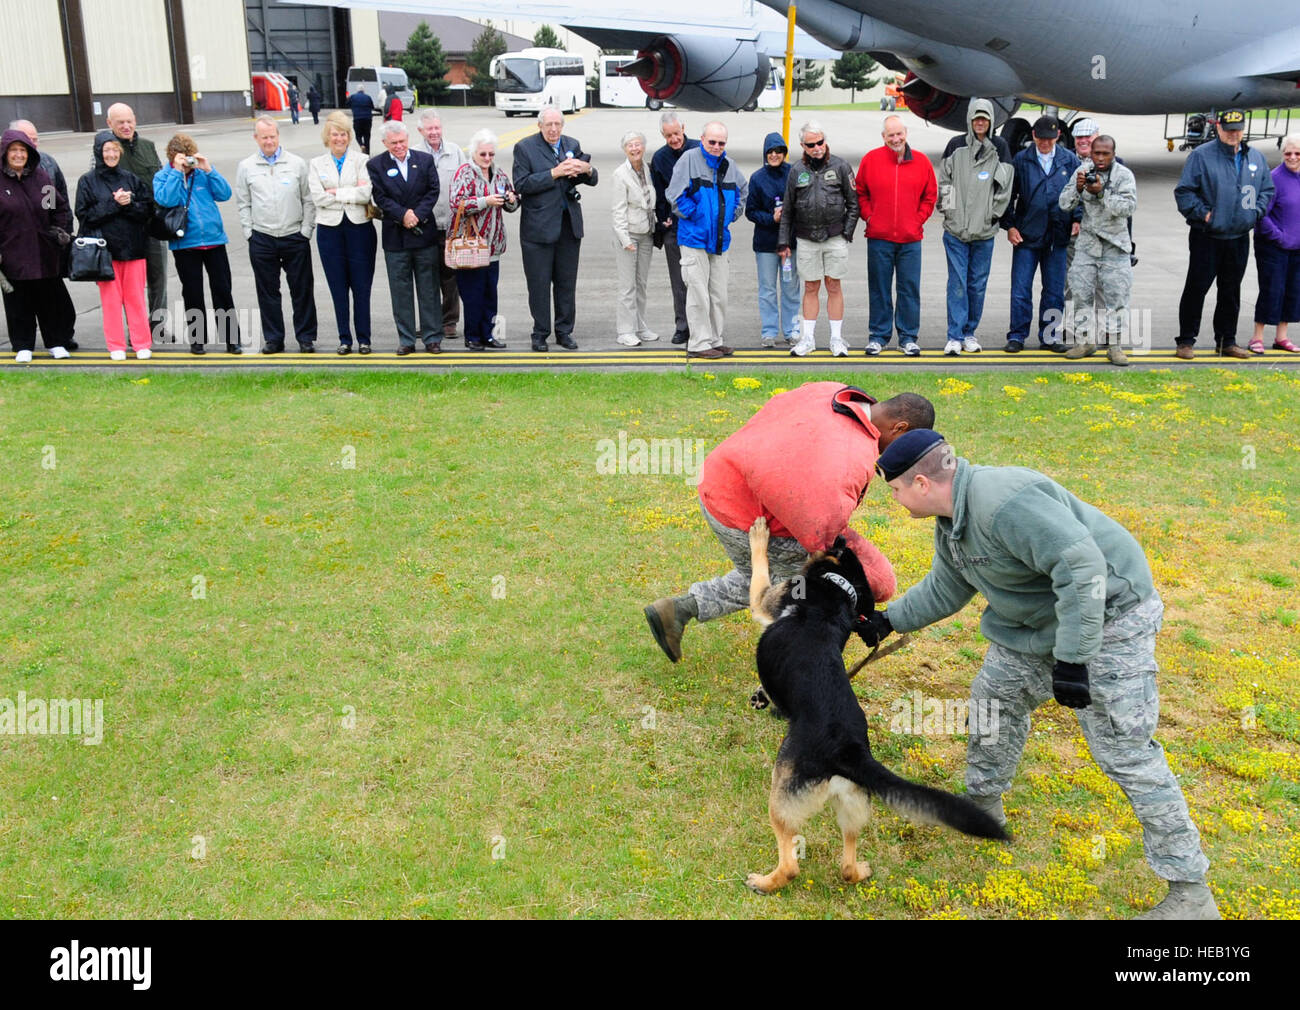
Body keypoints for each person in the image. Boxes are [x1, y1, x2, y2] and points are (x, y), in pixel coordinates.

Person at [866, 431, 1218, 921]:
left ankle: (1191, 893)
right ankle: (982, 805)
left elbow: (1082, 568)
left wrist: (1073, 659)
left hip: (1110, 617)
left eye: (896, 491)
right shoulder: (952, 521)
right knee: (994, 702)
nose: (896, 501)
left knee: (1126, 752)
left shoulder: (1003, 502)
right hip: (1037, 624)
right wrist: (888, 620)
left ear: (920, 483)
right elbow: (947, 587)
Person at [643, 385, 935, 663]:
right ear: (900, 428)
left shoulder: (829, 391)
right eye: (904, 445)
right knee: (801, 596)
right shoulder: (852, 455)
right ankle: (789, 676)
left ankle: (679, 610)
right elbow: (821, 536)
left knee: (764, 575)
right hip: (750, 515)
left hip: (718, 483)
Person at [1173, 109, 1274, 360]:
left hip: (1238, 236)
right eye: (1228, 130)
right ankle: (1186, 340)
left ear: (1243, 128)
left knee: (1231, 290)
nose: (1233, 134)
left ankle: (1226, 341)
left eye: (1238, 129)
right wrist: (1204, 215)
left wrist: (1254, 213)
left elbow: (1266, 190)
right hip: (1207, 236)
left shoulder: (1256, 158)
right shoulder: (1201, 156)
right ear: (1218, 128)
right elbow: (1184, 192)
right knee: (1196, 288)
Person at [512, 106, 597, 352]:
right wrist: (554, 173)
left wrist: (587, 170)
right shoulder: (525, 148)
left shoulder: (571, 143)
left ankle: (564, 331)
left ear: (562, 126)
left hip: (568, 226)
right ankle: (540, 333)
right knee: (539, 284)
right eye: (548, 125)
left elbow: (591, 177)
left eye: (557, 125)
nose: (553, 129)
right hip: (538, 229)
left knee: (566, 283)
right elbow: (522, 184)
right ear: (539, 126)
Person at [937, 99, 1014, 356]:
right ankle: (954, 336)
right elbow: (945, 182)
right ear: (970, 119)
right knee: (957, 283)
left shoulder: (1000, 147)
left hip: (984, 232)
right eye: (976, 118)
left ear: (991, 121)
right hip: (956, 231)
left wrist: (993, 216)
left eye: (985, 119)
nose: (980, 123)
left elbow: (1005, 188)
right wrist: (948, 213)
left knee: (977, 284)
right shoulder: (955, 146)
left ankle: (970, 333)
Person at [856, 115, 937, 356]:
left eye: (899, 134)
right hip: (879, 238)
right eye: (890, 135)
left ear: (906, 133)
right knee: (879, 288)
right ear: (883, 137)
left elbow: (930, 196)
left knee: (909, 289)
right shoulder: (871, 160)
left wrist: (917, 219)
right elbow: (861, 192)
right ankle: (878, 336)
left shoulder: (921, 162)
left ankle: (908, 337)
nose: (895, 139)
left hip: (910, 239)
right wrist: (870, 216)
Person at [235, 116, 317, 353]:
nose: (268, 141)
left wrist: (306, 231)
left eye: (272, 136)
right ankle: (274, 338)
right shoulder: (246, 167)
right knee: (268, 291)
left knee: (301, 289)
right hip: (262, 237)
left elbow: (308, 199)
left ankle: (305, 337)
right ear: (256, 138)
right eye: (264, 137)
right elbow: (243, 202)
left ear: (278, 136)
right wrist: (249, 232)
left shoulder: (297, 163)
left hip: (294, 236)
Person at [666, 120, 747, 360]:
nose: (716, 146)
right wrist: (697, 215)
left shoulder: (730, 165)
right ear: (702, 140)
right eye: (712, 142)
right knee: (698, 293)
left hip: (720, 240)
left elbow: (743, 191)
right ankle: (699, 342)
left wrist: (731, 215)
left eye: (721, 143)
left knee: (718, 294)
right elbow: (674, 195)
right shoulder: (689, 160)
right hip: (694, 239)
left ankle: (715, 339)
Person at [154, 133, 241, 354]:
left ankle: (232, 339)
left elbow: (224, 194)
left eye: (189, 157)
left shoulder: (202, 173)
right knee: (193, 293)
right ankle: (197, 339)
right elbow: (165, 199)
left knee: (222, 290)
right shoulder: (163, 176)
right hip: (185, 244)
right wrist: (176, 172)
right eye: (182, 158)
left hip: (214, 240)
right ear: (172, 157)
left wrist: (208, 169)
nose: (187, 163)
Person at [779, 121, 859, 357]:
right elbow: (788, 210)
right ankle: (808, 338)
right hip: (806, 239)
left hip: (835, 237)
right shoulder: (796, 171)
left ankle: (836, 338)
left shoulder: (841, 167)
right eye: (811, 144)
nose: (817, 148)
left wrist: (846, 232)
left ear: (825, 141)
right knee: (810, 286)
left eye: (820, 142)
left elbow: (854, 204)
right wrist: (783, 242)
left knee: (834, 285)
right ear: (803, 145)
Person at [1001, 115, 1080, 353]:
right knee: (1021, 289)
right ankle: (1017, 335)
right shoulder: (1021, 160)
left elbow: (1080, 193)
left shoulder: (1070, 160)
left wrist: (1078, 218)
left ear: (1057, 137)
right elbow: (1008, 196)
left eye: (1050, 138)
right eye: (1041, 138)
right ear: (1033, 135)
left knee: (1054, 290)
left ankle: (1050, 336)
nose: (1045, 143)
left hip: (1058, 235)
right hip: (1027, 235)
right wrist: (1010, 226)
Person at [1059, 135, 1137, 365]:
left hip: (1115, 245)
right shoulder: (1081, 171)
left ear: (1113, 154)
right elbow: (1064, 204)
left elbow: (1128, 207)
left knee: (1117, 298)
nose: (1100, 158)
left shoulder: (1124, 175)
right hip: (1088, 244)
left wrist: (1102, 193)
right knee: (1080, 294)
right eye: (1097, 153)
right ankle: (1085, 341)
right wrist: (1078, 188)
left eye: (1105, 153)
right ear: (1090, 153)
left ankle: (1114, 346)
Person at [75, 134, 154, 360]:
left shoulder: (131, 178)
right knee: (110, 302)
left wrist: (129, 204)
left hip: (134, 249)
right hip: (105, 252)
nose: (111, 155)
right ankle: (115, 344)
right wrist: (114, 204)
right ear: (98, 152)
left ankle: (141, 342)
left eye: (115, 150)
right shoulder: (87, 181)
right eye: (106, 150)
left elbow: (146, 211)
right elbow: (84, 216)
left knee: (136, 299)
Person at [367, 120, 442, 354]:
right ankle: (407, 339)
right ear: (384, 143)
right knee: (401, 291)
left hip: (424, 234)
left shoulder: (424, 160)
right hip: (396, 238)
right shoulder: (376, 165)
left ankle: (432, 337)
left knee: (429, 289)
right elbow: (380, 197)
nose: (399, 146)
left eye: (402, 141)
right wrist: (403, 215)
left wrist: (416, 215)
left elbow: (433, 191)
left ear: (408, 139)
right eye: (393, 143)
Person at [0, 128, 73, 362]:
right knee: (17, 302)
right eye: (14, 150)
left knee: (49, 301)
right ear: (5, 153)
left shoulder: (41, 178)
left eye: (23, 150)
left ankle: (56, 343)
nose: (19, 155)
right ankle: (23, 345)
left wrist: (57, 231)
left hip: (44, 252)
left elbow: (56, 208)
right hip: (12, 252)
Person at [308, 111, 377, 355]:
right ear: (328, 137)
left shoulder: (362, 160)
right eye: (335, 134)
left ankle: (364, 339)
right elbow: (317, 198)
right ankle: (344, 339)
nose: (339, 139)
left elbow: (366, 194)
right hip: (330, 231)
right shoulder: (316, 164)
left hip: (359, 229)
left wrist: (334, 192)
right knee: (338, 287)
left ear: (350, 136)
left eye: (344, 134)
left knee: (361, 287)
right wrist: (348, 192)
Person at [449, 129, 518, 350]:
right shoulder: (464, 173)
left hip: (493, 245)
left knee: (490, 294)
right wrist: (484, 201)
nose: (487, 159)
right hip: (470, 245)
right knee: (472, 295)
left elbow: (512, 204)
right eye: (483, 154)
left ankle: (488, 335)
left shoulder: (499, 174)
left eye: (491, 154)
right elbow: (456, 203)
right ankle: (472, 336)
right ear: (474, 153)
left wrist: (510, 199)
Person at [104, 104, 167, 339]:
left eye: (129, 120)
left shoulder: (148, 147)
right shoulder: (107, 150)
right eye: (120, 122)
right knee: (132, 284)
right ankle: (136, 329)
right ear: (110, 124)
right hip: (125, 228)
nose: (126, 126)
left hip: (151, 222)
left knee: (158, 277)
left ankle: (158, 326)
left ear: (135, 120)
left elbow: (160, 180)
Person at [412, 110, 467, 340]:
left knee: (451, 276)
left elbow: (466, 180)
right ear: (421, 131)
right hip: (425, 225)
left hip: (452, 225)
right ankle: (429, 322)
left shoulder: (455, 152)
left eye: (437, 128)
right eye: (429, 129)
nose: (434, 132)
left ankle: (449, 321)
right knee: (427, 277)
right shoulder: (413, 153)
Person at [747, 131, 800, 349]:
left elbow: (802, 205)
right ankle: (769, 331)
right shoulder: (758, 178)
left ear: (785, 153)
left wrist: (788, 217)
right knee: (767, 289)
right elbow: (751, 211)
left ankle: (792, 330)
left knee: (790, 287)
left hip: (789, 244)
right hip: (766, 245)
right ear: (765, 153)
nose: (775, 155)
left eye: (779, 151)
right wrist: (771, 217)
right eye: (771, 151)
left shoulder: (794, 174)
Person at [651, 112, 699, 345]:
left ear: (683, 128)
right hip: (674, 227)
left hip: (699, 225)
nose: (674, 139)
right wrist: (663, 218)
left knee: (700, 279)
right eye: (668, 136)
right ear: (663, 135)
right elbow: (660, 195)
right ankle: (683, 326)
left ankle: (702, 326)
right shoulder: (660, 158)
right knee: (679, 280)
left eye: (676, 134)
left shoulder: (700, 149)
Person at [1250, 134, 1300, 354]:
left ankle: (1282, 336)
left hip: (1297, 248)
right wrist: (1279, 236)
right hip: (1273, 247)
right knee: (1271, 290)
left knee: (1292, 291)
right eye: (1288, 153)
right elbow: (1261, 215)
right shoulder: (1274, 178)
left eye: (1297, 153)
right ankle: (1257, 337)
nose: (1292, 157)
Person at [611, 130, 659, 346]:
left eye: (638, 144)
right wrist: (624, 239)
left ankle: (640, 326)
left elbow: (649, 201)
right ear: (624, 149)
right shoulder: (620, 174)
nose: (634, 148)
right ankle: (625, 331)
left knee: (641, 284)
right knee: (627, 286)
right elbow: (618, 211)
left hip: (646, 233)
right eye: (630, 145)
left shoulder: (647, 169)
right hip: (629, 236)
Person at [347, 86, 376, 154]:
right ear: (363, 90)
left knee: (358, 135)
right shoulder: (368, 97)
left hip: (357, 118)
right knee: (367, 136)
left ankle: (361, 145)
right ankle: (367, 153)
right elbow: (372, 107)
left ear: (357, 90)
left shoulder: (353, 97)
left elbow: (347, 104)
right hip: (367, 119)